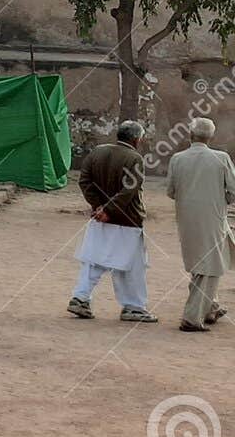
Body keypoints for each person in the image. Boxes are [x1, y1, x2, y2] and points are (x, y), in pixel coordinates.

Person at [69, 120, 158, 323]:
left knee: (93, 260)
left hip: (101, 218)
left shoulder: (97, 152)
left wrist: (99, 207)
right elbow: (128, 191)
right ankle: (133, 307)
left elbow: (85, 181)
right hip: (127, 220)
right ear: (136, 139)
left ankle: (80, 298)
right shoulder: (135, 158)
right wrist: (108, 210)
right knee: (132, 265)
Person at [165, 117, 235, 333]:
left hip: (186, 219)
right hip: (214, 218)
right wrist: (223, 200)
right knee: (211, 266)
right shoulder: (221, 158)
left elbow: (170, 191)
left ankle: (210, 306)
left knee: (202, 263)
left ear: (190, 135)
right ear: (210, 136)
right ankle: (192, 318)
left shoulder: (177, 158)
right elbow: (233, 189)